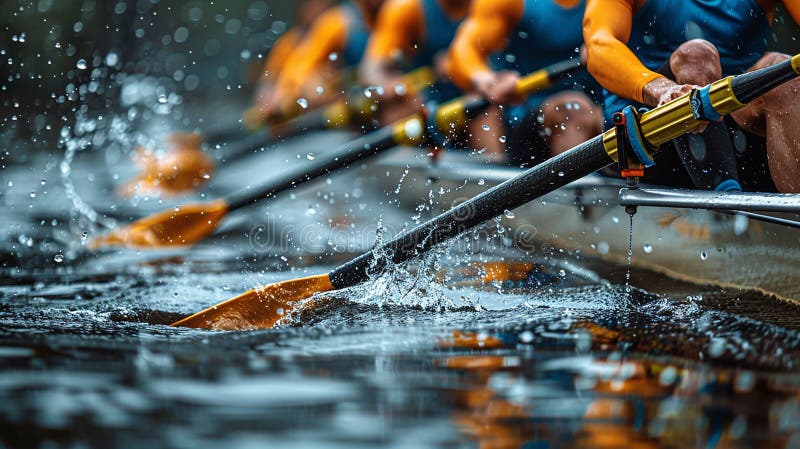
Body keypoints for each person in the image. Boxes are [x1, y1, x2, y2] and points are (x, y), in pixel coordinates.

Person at [584, 0, 800, 192]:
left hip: (739, 136)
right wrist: (660, 89)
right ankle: (724, 201)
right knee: (696, 56)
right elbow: (599, 46)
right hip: (648, 138)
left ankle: (789, 204)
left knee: (783, 71)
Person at [448, 0, 603, 166]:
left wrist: (609, 48)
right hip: (520, 114)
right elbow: (465, 49)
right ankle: (495, 173)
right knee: (572, 110)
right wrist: (487, 81)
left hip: (598, 114)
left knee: (587, 112)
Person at [359, 0, 502, 155]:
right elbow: (370, 71)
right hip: (424, 103)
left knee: (482, 101)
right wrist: (392, 86)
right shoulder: (407, 7)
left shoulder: (494, 5)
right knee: (398, 105)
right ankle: (405, 162)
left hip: (472, 102)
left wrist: (460, 67)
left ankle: (492, 162)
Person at [267, 0, 385, 119]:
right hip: (346, 97)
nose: (317, 8)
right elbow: (301, 68)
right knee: (313, 85)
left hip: (376, 91)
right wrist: (285, 94)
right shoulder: (336, 22)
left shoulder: (393, 10)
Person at [252, 0, 333, 114]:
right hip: (286, 104)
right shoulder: (288, 42)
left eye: (319, 3)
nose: (315, 8)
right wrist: (268, 97)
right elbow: (268, 79)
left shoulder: (335, 33)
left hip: (320, 102)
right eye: (310, 4)